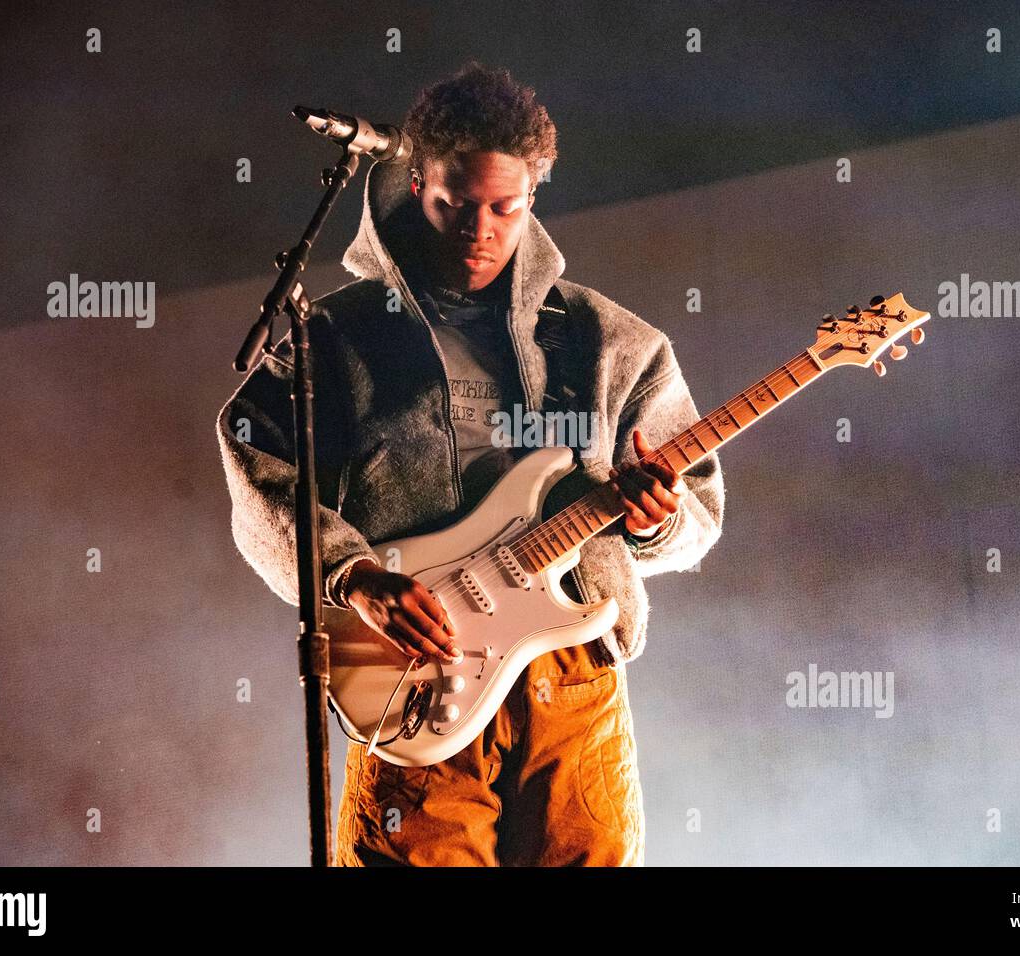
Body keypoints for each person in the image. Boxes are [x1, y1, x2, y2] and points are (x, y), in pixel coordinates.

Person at [217, 62, 724, 866]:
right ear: (415, 183)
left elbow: (695, 513)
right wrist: (353, 575)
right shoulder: (337, 337)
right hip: (410, 682)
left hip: (573, 682)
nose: (478, 229)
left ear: (535, 197)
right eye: (455, 203)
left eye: (504, 207)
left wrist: (659, 523)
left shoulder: (609, 342)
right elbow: (256, 457)